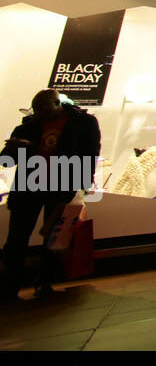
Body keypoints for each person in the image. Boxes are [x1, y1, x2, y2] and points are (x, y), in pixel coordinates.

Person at [2, 90, 101, 300]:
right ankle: (11, 286)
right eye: (36, 109)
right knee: (17, 238)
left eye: (44, 108)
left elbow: (90, 153)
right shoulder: (27, 127)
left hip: (61, 187)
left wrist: (83, 184)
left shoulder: (83, 123)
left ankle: (44, 283)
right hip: (28, 187)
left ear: (57, 104)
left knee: (54, 238)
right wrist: (15, 148)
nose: (39, 113)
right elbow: (6, 161)